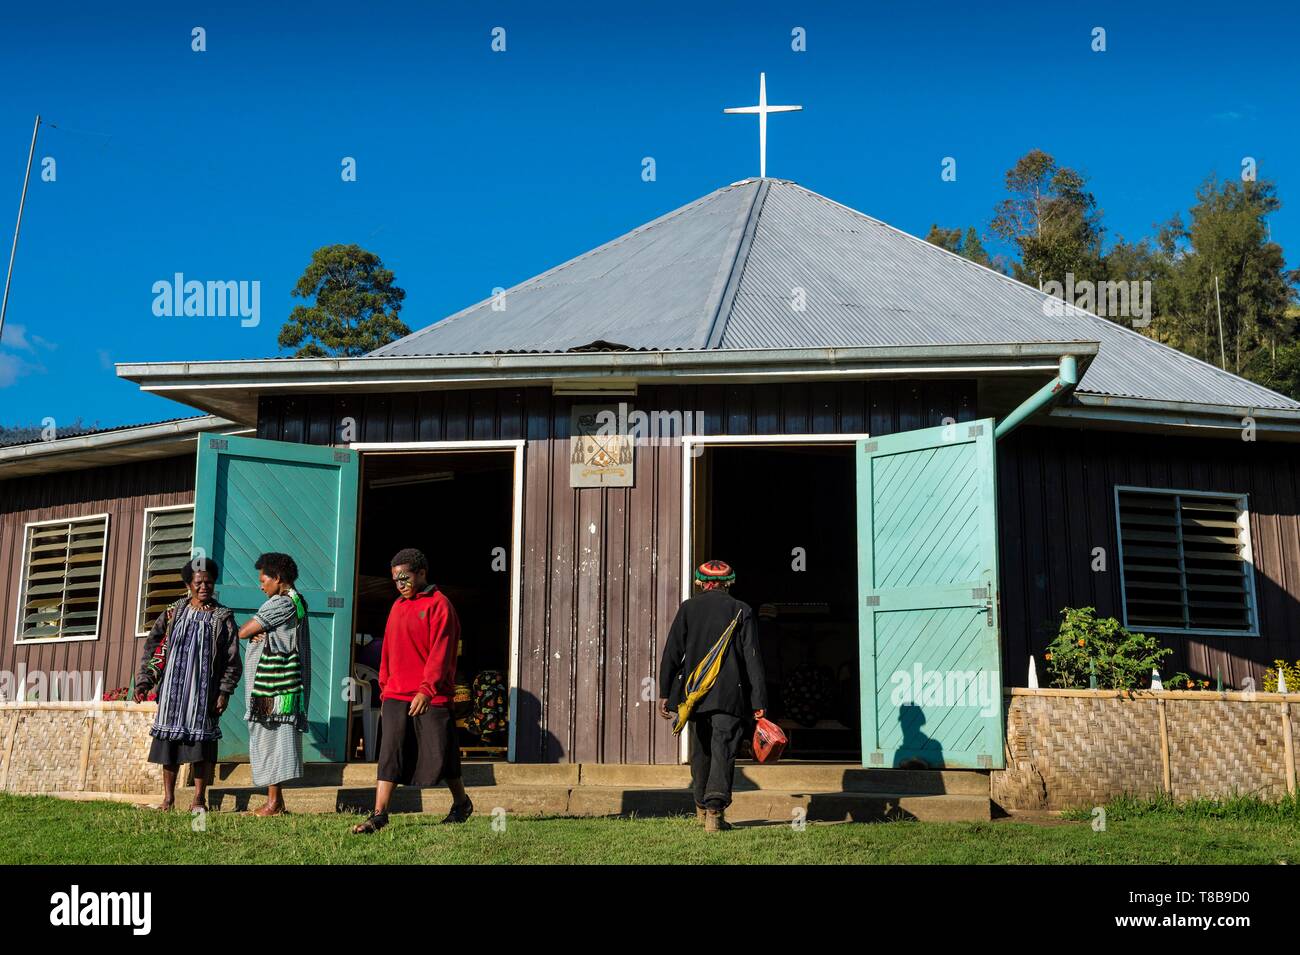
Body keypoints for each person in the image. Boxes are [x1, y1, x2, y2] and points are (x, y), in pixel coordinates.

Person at [352, 548, 472, 833]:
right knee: (390, 752)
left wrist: (426, 690)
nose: (400, 584)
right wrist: (385, 688)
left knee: (442, 755)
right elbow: (388, 651)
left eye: (405, 578)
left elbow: (441, 654)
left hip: (431, 695)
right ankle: (379, 815)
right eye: (395, 580)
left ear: (421, 573)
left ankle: (461, 802)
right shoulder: (397, 606)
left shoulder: (440, 605)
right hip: (396, 694)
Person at [658, 559, 767, 832]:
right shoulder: (741, 610)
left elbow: (672, 652)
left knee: (701, 750)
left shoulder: (688, 608)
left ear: (700, 583)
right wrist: (759, 702)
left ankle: (699, 806)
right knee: (723, 749)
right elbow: (753, 659)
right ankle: (714, 812)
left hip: (695, 694)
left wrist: (664, 692)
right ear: (728, 583)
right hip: (730, 695)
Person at [134, 557, 241, 812]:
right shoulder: (173, 612)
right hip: (172, 693)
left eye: (209, 582)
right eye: (198, 582)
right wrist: (144, 681)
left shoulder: (223, 617)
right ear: (188, 584)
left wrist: (224, 692)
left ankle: (199, 800)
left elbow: (232, 660)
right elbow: (155, 648)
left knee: (201, 749)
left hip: (203, 695)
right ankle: (168, 800)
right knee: (168, 748)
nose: (204, 587)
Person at [237, 552, 310, 816]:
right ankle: (276, 801)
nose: (261, 585)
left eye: (263, 579)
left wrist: (257, 631)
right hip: (284, 685)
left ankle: (273, 803)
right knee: (274, 736)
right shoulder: (298, 600)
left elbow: (243, 631)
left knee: (268, 736)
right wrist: (264, 632)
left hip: (271, 686)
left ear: (278, 578)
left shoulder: (279, 603)